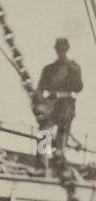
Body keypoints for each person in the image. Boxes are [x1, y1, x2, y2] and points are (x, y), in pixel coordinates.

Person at [36, 37, 83, 172]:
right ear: (56, 50)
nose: (60, 52)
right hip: (49, 107)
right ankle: (41, 168)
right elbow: (39, 89)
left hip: (65, 108)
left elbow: (78, 87)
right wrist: (38, 107)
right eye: (58, 49)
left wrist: (60, 93)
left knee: (61, 142)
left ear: (66, 49)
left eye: (62, 49)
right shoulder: (48, 69)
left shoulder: (74, 68)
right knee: (43, 135)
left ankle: (59, 172)